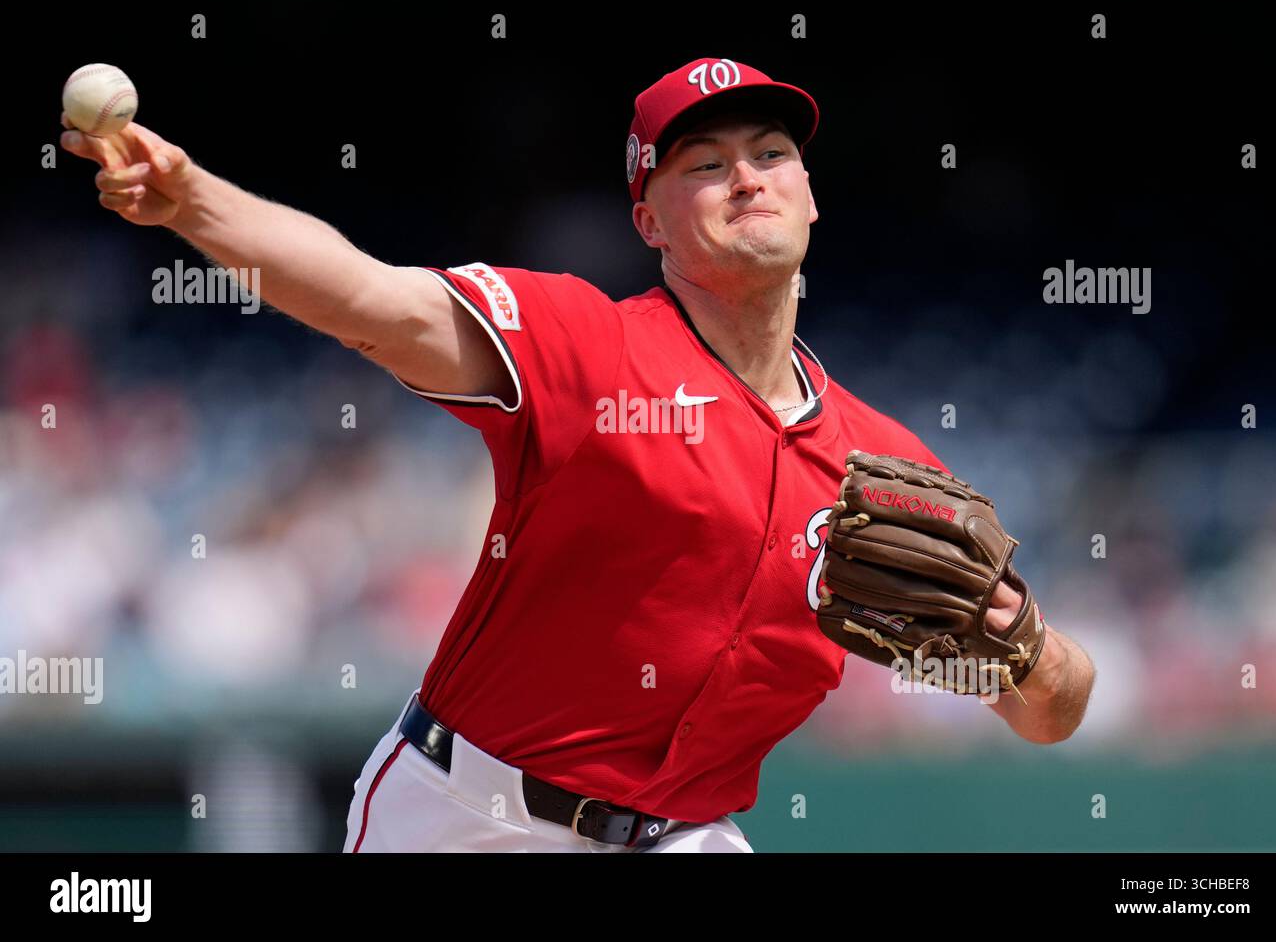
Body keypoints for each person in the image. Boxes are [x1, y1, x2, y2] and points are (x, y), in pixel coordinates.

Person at [60, 57, 1095, 853]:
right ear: (648, 218)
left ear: (813, 196)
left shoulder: (880, 462)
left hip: (682, 833)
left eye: (771, 153)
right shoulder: (581, 344)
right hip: (468, 814)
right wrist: (191, 200)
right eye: (703, 163)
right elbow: (364, 294)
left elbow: (1049, 710)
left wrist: (1030, 649)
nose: (745, 176)